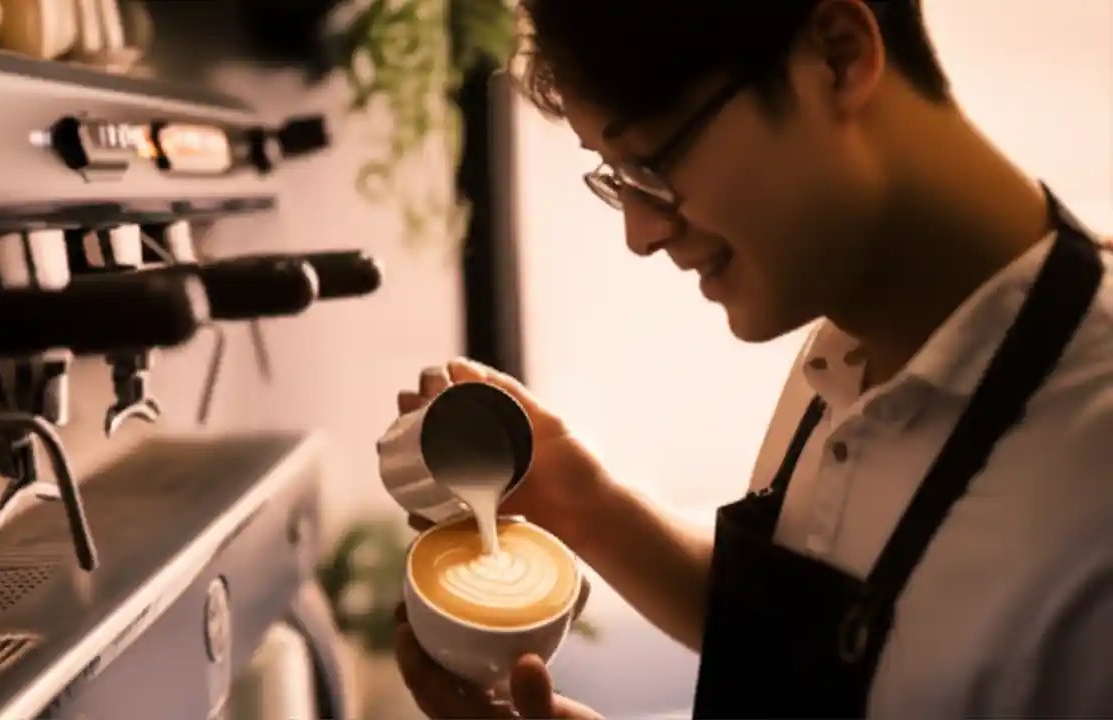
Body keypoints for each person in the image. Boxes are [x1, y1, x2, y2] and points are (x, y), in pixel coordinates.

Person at [391, 0, 1113, 717]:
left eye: (651, 163)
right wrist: (585, 502)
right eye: (617, 180)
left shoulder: (1089, 473)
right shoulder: (849, 339)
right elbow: (836, 634)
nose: (641, 234)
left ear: (837, 55)